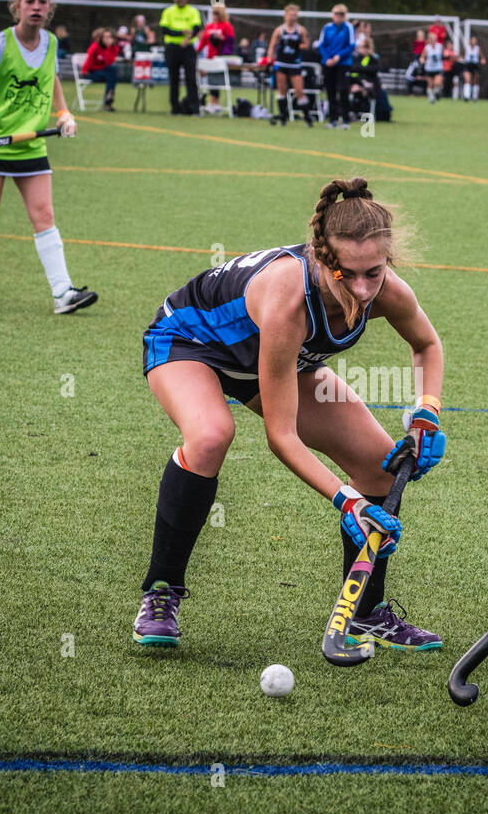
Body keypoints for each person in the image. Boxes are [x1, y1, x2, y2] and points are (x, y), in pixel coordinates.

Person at [135, 178, 447, 653]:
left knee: (378, 462)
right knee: (211, 435)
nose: (363, 289)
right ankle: (162, 592)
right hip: (191, 343)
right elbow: (281, 437)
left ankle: (365, 613)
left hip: (274, 360)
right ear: (323, 258)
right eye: (348, 274)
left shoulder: (386, 290)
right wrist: (347, 502)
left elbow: (426, 345)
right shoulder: (287, 299)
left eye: (375, 272)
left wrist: (427, 412)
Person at [0, 0, 96, 317]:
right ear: (17, 6)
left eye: (42, 1)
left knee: (44, 215)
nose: (36, 6)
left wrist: (63, 113)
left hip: (31, 146)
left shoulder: (50, 42)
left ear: (50, 8)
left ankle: (63, 293)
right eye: (29, 1)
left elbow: (53, 82)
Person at [159, 0, 202, 115]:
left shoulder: (193, 11)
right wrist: (181, 33)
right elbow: (164, 29)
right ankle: (175, 108)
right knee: (174, 79)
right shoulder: (168, 11)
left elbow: (196, 28)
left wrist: (188, 39)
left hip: (188, 48)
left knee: (191, 79)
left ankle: (194, 108)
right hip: (172, 48)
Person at [267, 4, 312, 125]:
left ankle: (307, 117)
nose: (292, 17)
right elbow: (272, 46)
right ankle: (283, 116)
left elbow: (307, 45)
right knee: (282, 90)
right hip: (282, 63)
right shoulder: (279, 30)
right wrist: (269, 59)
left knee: (299, 91)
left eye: (294, 15)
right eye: (290, 15)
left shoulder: (301, 30)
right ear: (285, 15)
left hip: (295, 64)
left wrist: (297, 45)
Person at [318, 3, 354, 128]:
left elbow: (351, 45)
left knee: (343, 90)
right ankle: (332, 119)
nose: (339, 16)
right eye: (336, 14)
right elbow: (321, 45)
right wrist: (327, 58)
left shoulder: (348, 27)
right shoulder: (327, 27)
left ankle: (345, 120)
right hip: (328, 63)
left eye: (341, 14)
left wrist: (339, 56)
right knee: (330, 91)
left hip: (343, 63)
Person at [82, 27, 121, 111]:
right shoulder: (95, 47)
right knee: (111, 72)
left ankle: (108, 97)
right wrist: (85, 72)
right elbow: (90, 65)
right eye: (104, 37)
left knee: (112, 70)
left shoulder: (114, 48)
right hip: (90, 73)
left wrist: (109, 48)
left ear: (113, 39)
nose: (106, 39)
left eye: (109, 37)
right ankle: (109, 98)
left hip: (104, 73)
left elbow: (109, 62)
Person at [346, 35, 380, 119]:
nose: (364, 49)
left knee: (363, 90)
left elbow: (374, 70)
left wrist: (360, 71)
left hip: (369, 86)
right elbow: (352, 69)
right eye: (362, 47)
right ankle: (349, 113)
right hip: (356, 83)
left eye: (366, 47)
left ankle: (362, 113)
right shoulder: (356, 58)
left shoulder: (373, 59)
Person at [421, 29, 443, 103]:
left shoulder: (440, 46)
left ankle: (437, 93)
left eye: (434, 39)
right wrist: (422, 60)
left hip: (438, 68)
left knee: (437, 83)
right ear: (429, 39)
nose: (433, 40)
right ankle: (431, 98)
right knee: (430, 84)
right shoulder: (427, 48)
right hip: (429, 68)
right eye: (431, 39)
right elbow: (422, 57)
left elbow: (444, 54)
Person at [460, 35, 484, 101]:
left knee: (475, 81)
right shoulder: (466, 48)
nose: (474, 41)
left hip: (475, 65)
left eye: (475, 40)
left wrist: (482, 60)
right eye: (472, 40)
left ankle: (475, 96)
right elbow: (462, 56)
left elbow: (481, 57)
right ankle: (466, 96)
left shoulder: (478, 48)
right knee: (467, 80)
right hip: (467, 65)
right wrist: (461, 59)